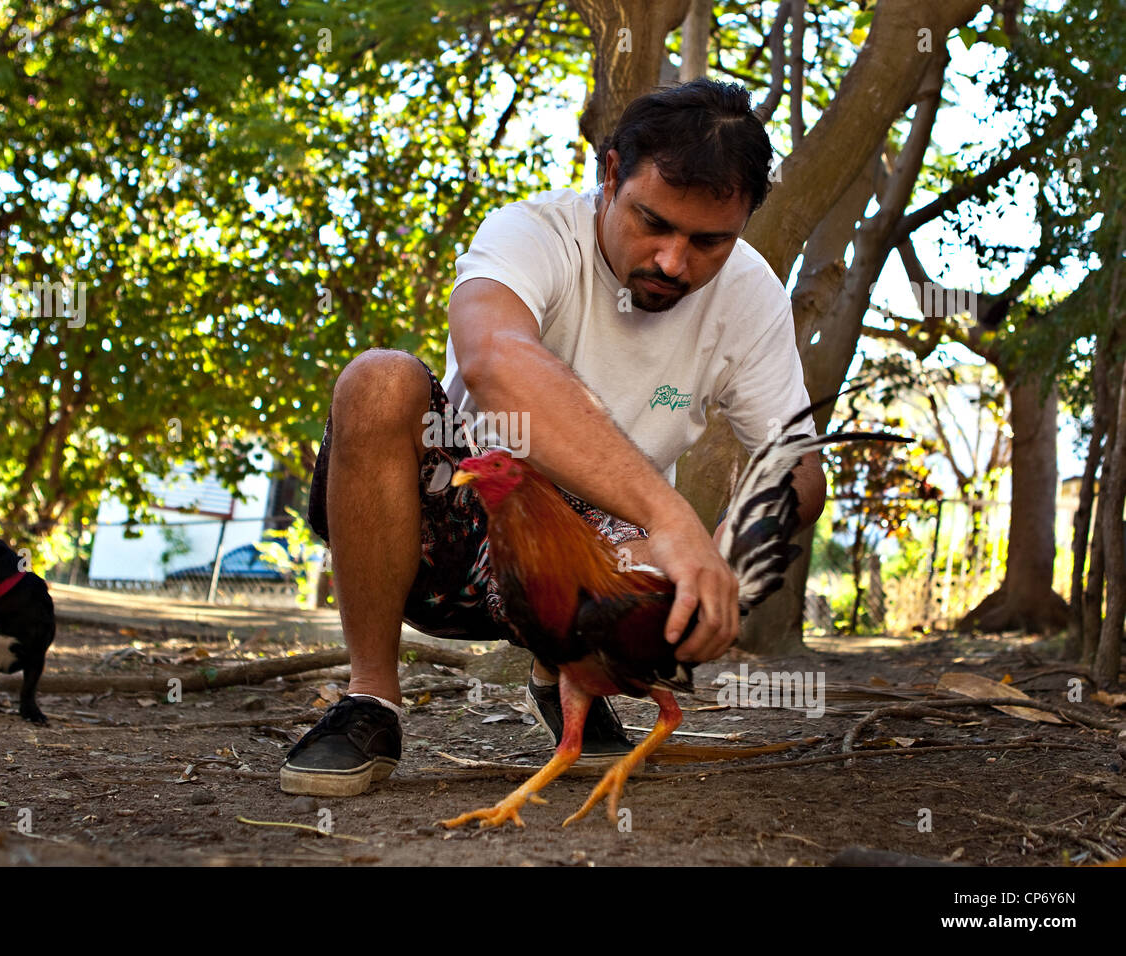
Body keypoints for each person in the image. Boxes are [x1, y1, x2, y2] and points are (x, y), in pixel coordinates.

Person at [280, 78, 825, 797]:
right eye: (652, 222)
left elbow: (801, 470)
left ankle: (569, 678)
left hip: (599, 564)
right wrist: (672, 516)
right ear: (608, 176)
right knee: (378, 380)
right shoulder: (530, 232)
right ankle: (370, 700)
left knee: (677, 558)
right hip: (463, 530)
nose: (673, 260)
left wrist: (723, 556)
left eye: (708, 241)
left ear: (747, 219)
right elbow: (492, 359)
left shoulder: (750, 294)